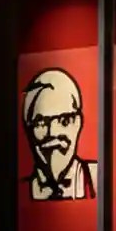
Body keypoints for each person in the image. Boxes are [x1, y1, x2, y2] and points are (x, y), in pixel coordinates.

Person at [22, 69, 97, 201]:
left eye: (64, 121)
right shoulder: (19, 193)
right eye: (41, 123)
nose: (52, 133)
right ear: (29, 129)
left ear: (78, 124)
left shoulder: (98, 178)